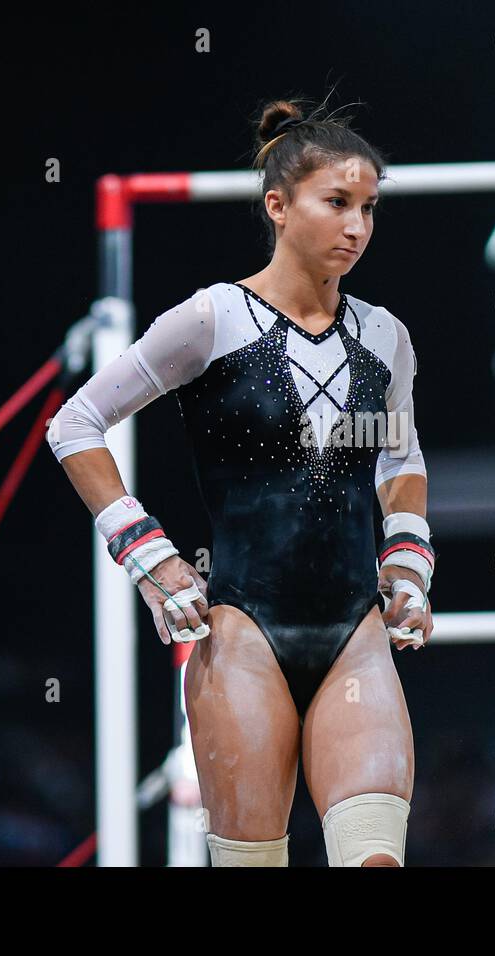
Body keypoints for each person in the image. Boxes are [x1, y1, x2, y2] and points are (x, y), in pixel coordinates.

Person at [46, 96, 435, 867]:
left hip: (354, 636)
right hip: (243, 635)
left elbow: (401, 458)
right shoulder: (212, 319)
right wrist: (151, 559)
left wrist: (407, 566)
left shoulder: (385, 337)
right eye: (337, 204)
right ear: (279, 206)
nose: (356, 227)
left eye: (368, 208)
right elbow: (75, 425)